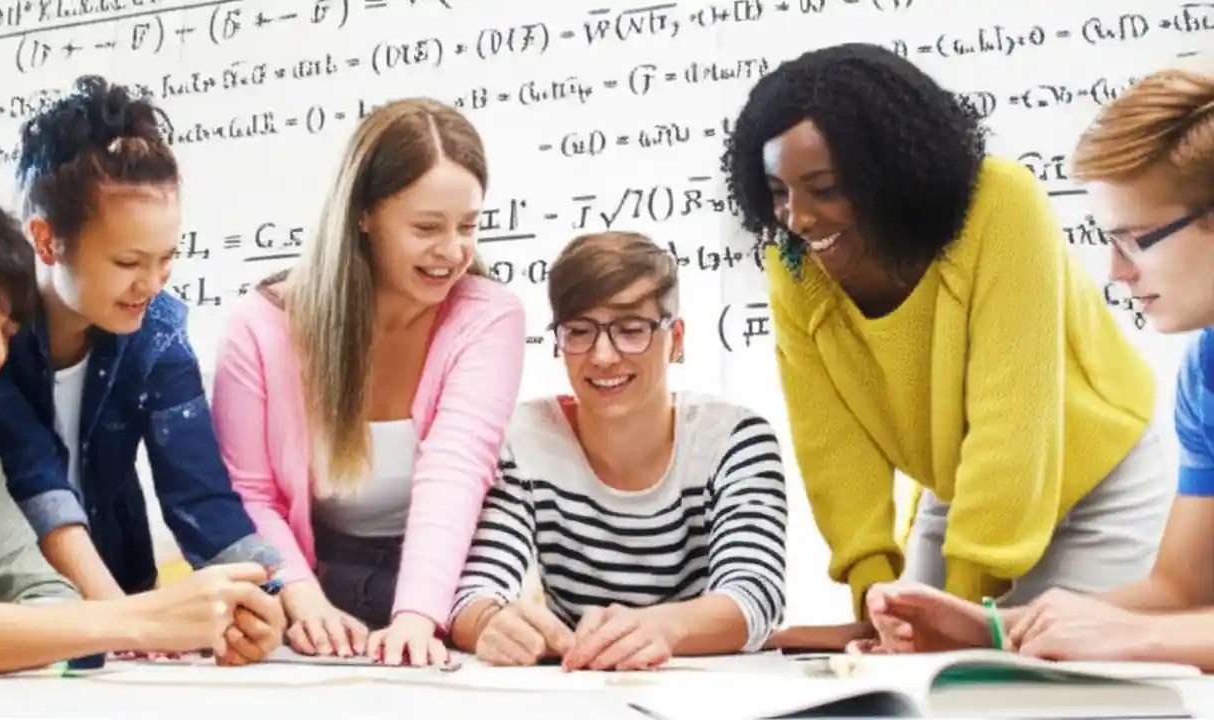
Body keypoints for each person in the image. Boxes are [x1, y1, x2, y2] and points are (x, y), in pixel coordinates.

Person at [723, 42, 1170, 621]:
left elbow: (1012, 421)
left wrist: (957, 618)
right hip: (966, 486)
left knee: (1046, 681)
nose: (798, 218)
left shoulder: (1000, 203)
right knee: (915, 667)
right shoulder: (793, 259)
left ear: (886, 171)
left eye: (825, 188)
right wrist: (872, 603)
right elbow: (831, 440)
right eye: (779, 192)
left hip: (1096, 483)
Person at [857, 66, 1214, 669]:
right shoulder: (1203, 373)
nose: (1116, 273)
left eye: (1135, 240)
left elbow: (1166, 622)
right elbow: (1182, 590)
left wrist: (1141, 641)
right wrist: (993, 628)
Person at [0, 76, 284, 665]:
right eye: (128, 262)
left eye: (167, 258)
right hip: (8, 610)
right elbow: (34, 478)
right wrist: (127, 621)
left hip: (119, 589)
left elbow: (201, 492)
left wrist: (263, 600)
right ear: (45, 239)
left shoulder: (158, 329)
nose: (153, 284)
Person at [211, 97, 526, 667]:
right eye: (427, 227)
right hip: (312, 571)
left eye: (469, 226)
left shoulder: (489, 317)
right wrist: (303, 600)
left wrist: (416, 617)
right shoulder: (259, 329)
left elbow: (455, 471)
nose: (453, 251)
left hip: (452, 576)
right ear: (364, 215)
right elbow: (250, 494)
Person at [448, 231, 788, 671]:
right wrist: (492, 625)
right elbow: (472, 594)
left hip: (706, 691)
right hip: (580, 692)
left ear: (676, 338)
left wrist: (663, 628)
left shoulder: (735, 438)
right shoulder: (524, 440)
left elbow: (755, 595)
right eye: (579, 331)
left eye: (631, 330)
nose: (603, 355)